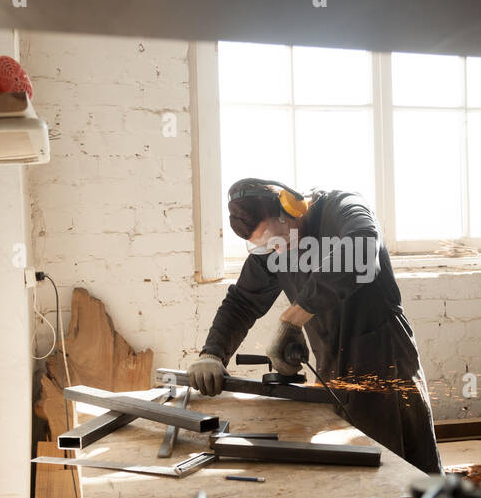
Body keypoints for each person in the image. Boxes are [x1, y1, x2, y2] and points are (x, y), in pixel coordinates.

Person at [187, 178, 442, 474]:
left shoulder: (343, 208)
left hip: (383, 351)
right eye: (266, 246)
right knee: (358, 460)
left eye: (275, 238)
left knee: (407, 460)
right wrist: (212, 354)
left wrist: (292, 318)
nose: (277, 252)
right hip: (332, 360)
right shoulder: (275, 248)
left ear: (290, 207)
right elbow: (242, 301)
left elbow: (360, 252)